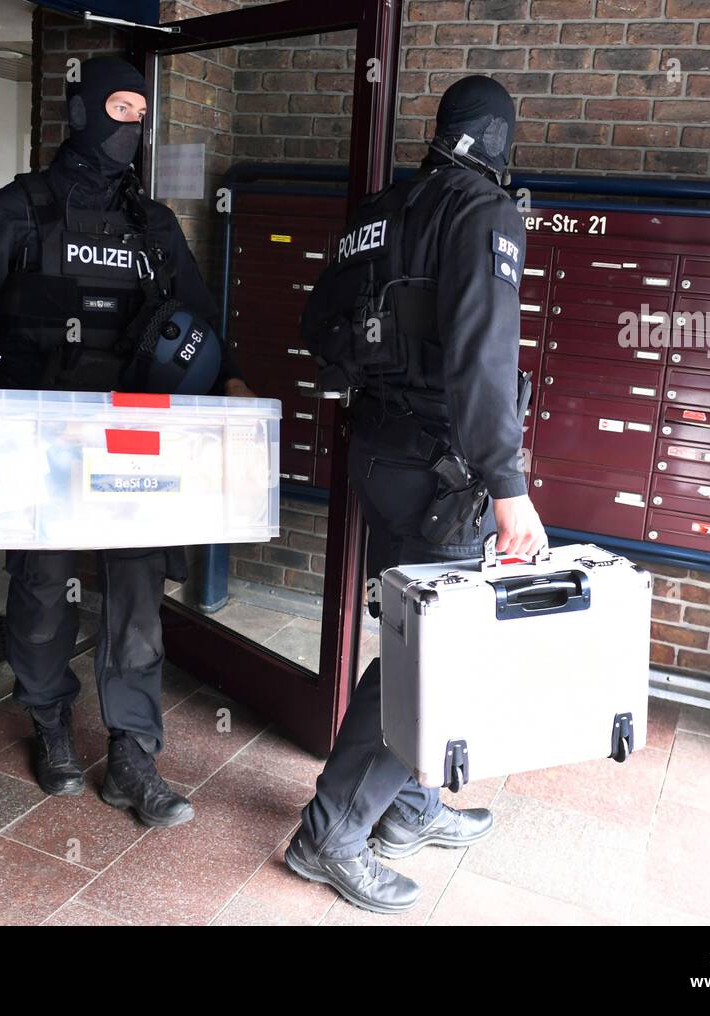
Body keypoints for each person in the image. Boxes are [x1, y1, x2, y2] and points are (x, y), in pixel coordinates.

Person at [0, 56, 253, 828]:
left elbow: (199, 320)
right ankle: (49, 720)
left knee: (137, 597)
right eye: (118, 108)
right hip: (41, 429)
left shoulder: (154, 226)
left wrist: (233, 383)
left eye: (141, 113)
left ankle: (134, 754)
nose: (129, 127)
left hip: (134, 436)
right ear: (83, 111)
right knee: (42, 589)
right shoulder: (17, 208)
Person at [286, 75, 547, 912]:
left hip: (379, 451)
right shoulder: (483, 212)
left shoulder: (376, 210)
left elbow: (319, 323)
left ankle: (406, 806)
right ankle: (329, 833)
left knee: (411, 634)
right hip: (443, 465)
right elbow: (482, 359)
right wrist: (509, 486)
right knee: (426, 654)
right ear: (501, 138)